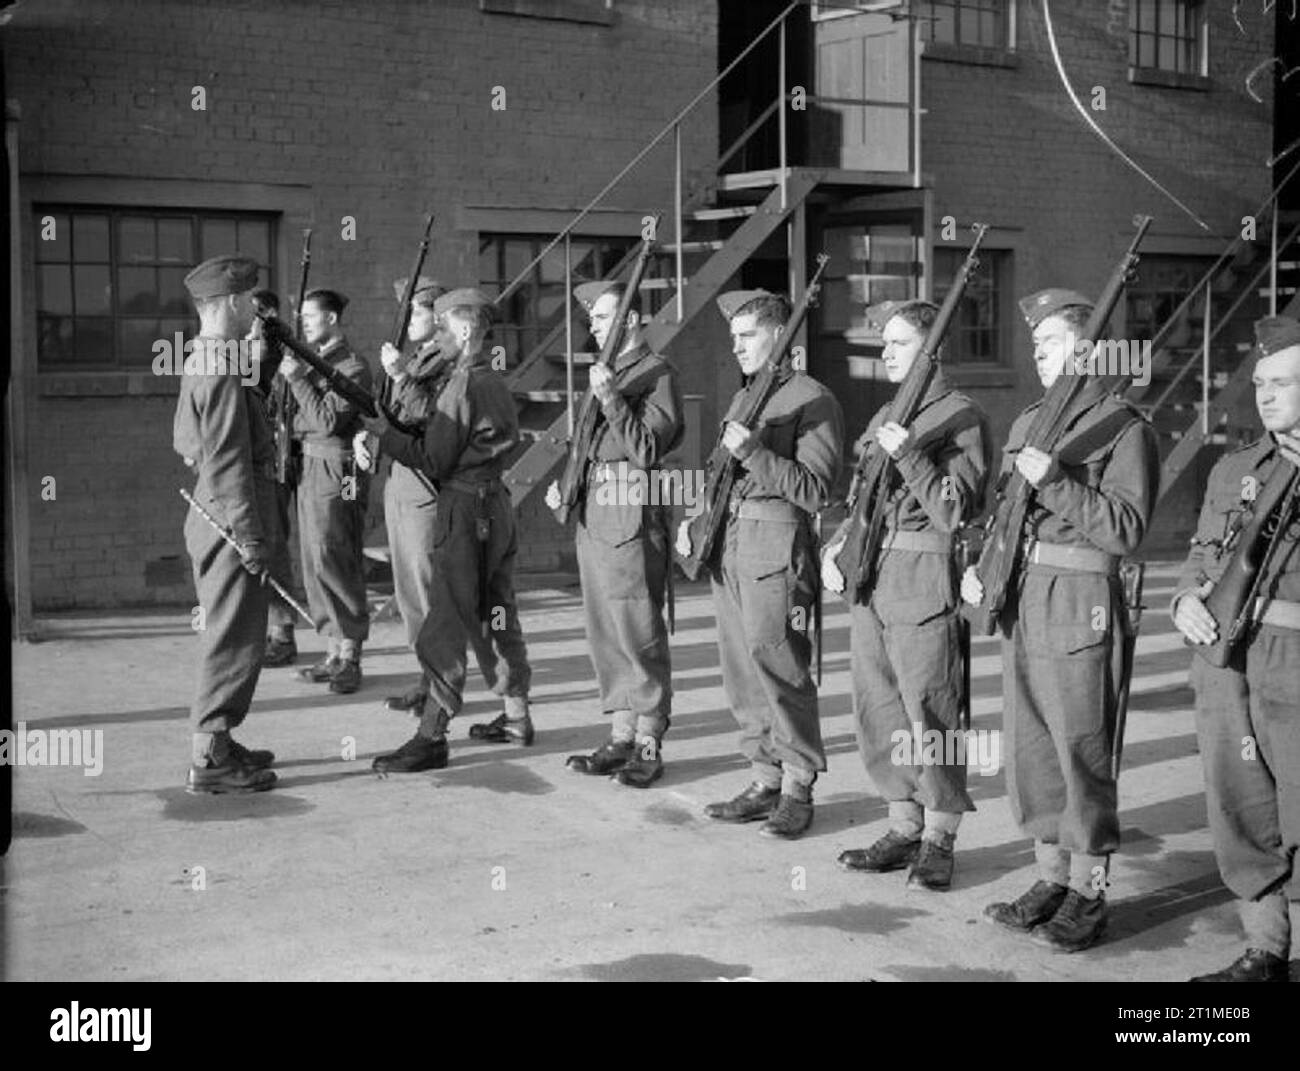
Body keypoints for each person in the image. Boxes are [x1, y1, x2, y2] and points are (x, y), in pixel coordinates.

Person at [961, 287, 1158, 952]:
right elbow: (1006, 513)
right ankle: (1051, 879)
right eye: (1037, 343)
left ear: (1090, 347)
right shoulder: (1029, 422)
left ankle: (1091, 890)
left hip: (1083, 597)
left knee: (1082, 748)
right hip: (1027, 594)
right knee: (1034, 748)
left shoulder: (1124, 426)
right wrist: (984, 565)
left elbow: (1127, 527)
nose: (1039, 353)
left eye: (1053, 342)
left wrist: (1057, 483)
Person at [822, 299, 991, 890]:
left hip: (923, 580)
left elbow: (954, 508)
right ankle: (903, 824)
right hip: (870, 576)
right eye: (885, 344)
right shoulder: (888, 413)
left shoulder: (960, 415)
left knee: (931, 710)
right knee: (880, 708)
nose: (886, 353)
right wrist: (835, 547)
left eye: (898, 344)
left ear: (930, 351)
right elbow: (861, 496)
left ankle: (941, 834)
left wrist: (911, 455)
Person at [677, 289, 843, 838]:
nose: (738, 347)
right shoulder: (748, 395)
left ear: (779, 336)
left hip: (776, 545)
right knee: (742, 670)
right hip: (730, 542)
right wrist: (694, 516)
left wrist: (755, 452)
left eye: (748, 336)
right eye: (734, 338)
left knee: (781, 667)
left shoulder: (812, 398)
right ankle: (763, 777)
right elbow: (718, 469)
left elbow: (815, 490)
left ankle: (798, 786)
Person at [1173, 315, 1300, 983]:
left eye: (1283, 383)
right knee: (1239, 803)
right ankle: (1265, 948)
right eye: (1259, 383)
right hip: (1226, 660)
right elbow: (1199, 554)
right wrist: (1185, 597)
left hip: (1295, 660)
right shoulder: (1234, 468)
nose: (1266, 395)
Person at [363, 288, 533, 772]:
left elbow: (432, 458)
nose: (436, 337)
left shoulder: (461, 385)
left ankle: (432, 734)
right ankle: (515, 714)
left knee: (445, 621)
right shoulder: (493, 380)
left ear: (462, 331)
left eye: (441, 329)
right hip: (496, 505)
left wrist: (384, 434)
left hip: (462, 511)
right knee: (498, 614)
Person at [547, 279, 683, 788]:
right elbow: (586, 444)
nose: (594, 327)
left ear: (628, 320)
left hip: (630, 502)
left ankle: (649, 737)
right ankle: (622, 732)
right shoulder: (613, 373)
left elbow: (646, 449)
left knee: (637, 625)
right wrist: (568, 487)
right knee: (604, 626)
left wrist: (611, 400)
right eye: (592, 320)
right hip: (596, 506)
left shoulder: (655, 373)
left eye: (602, 319)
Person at [173, 254, 279, 793]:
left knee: (235, 632)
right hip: (230, 518)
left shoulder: (207, 358)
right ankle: (211, 758)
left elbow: (187, 444)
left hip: (214, 511)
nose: (257, 313)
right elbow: (227, 460)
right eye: (252, 303)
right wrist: (249, 535)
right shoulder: (217, 367)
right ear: (233, 303)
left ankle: (220, 738)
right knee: (234, 638)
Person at [354, 276, 451, 717]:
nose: (409, 320)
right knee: (409, 591)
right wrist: (365, 438)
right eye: (407, 312)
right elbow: (386, 415)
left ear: (440, 317)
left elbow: (427, 420)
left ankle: (441, 687)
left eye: (417, 312)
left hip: (424, 485)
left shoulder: (446, 362)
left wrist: (399, 374)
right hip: (398, 480)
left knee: (427, 589)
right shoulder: (412, 358)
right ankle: (426, 676)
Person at [283, 288, 373, 694]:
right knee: (314, 560)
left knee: (335, 555)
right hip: (309, 466)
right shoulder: (310, 361)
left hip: (337, 469)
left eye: (311, 316)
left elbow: (326, 421)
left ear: (332, 319)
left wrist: (299, 380)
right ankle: (333, 650)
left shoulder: (352, 366)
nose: (304, 322)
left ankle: (350, 653)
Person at [249, 288, 302, 667]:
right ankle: (260, 631)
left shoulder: (282, 353)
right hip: (248, 465)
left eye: (254, 315)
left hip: (275, 465)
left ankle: (282, 632)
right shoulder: (242, 351)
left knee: (274, 547)